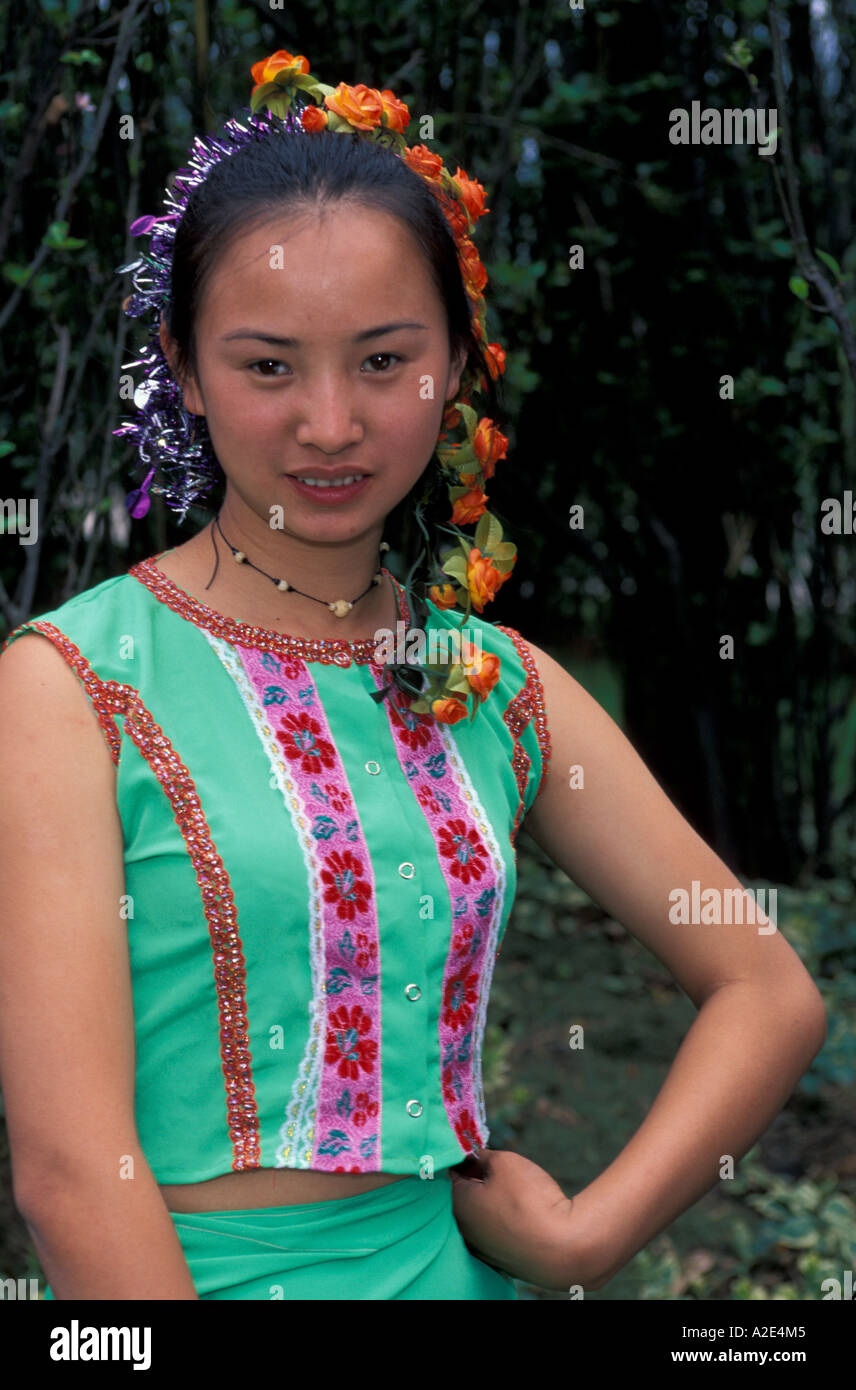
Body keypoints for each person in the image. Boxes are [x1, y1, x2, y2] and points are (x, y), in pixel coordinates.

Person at [0, 51, 827, 1302]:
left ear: (453, 365)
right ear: (182, 367)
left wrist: (585, 1239)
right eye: (268, 364)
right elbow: (68, 1172)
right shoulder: (70, 684)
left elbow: (764, 989)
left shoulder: (491, 682)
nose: (330, 424)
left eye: (384, 361)